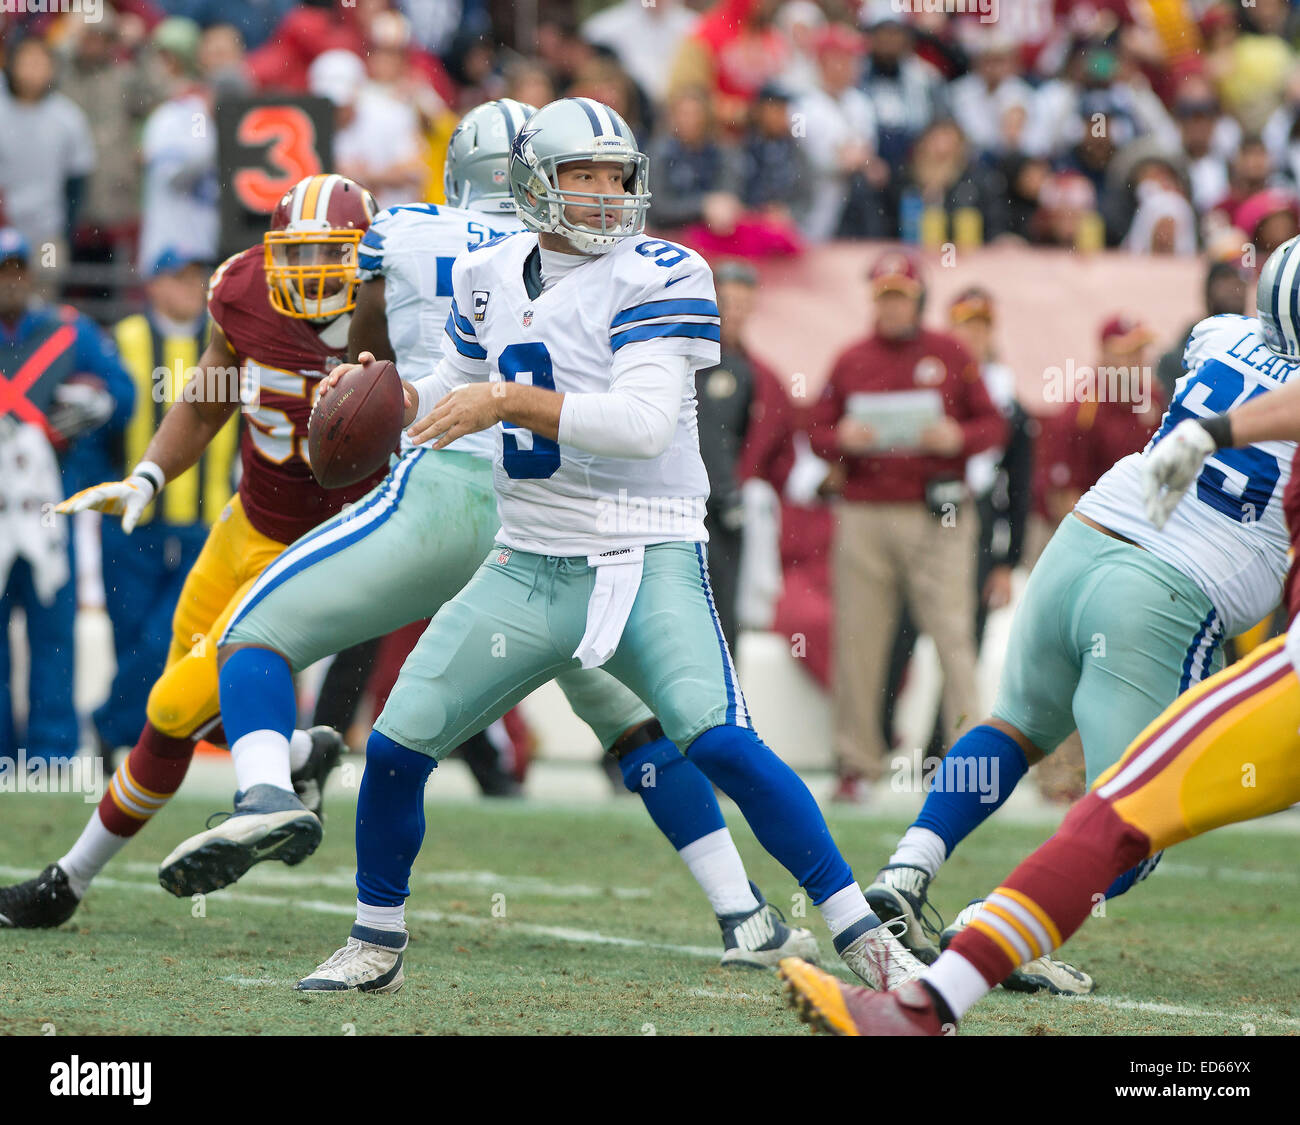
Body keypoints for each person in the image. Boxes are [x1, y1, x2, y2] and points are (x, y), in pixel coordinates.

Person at [157, 100, 817, 971]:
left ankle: (272, 788)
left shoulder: (405, 232)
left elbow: (344, 335)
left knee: (258, 627)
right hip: (566, 518)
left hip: (448, 487)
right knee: (632, 722)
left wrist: (352, 389)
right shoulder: (618, 261)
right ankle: (743, 911)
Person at [288, 97, 927, 994]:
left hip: (643, 554)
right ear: (531, 184)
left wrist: (505, 403)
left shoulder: (665, 272)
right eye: (579, 176)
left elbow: (637, 423)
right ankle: (376, 940)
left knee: (720, 741)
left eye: (615, 177)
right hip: (527, 555)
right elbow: (453, 387)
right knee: (396, 747)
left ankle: (861, 932)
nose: (601, 195)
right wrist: (380, 400)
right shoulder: (487, 273)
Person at [854, 239, 1300, 986]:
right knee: (1136, 817)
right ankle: (991, 926)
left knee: (1016, 724)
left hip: (1088, 534)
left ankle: (906, 868)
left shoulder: (1218, 332)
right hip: (1167, 592)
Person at [0, 175, 385, 928]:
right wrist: (148, 471)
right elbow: (212, 391)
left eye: (329, 257)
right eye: (296, 255)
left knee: (173, 706)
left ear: (369, 260)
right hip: (245, 521)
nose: (310, 274)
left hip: (323, 542)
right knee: (186, 698)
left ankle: (71, 879)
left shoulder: (399, 311)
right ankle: (298, 752)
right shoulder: (241, 288)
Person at [808, 250, 1004, 802]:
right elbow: (816, 431)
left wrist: (958, 440)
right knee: (860, 639)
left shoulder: (950, 354)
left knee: (953, 636)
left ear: (918, 299)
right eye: (885, 296)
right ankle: (856, 761)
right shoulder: (852, 359)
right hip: (866, 509)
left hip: (936, 510)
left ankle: (967, 758)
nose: (893, 305)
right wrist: (841, 438)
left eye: (902, 295)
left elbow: (993, 424)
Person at [92, 249, 236, 761]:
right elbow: (103, 421)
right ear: (152, 284)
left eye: (197, 277)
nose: (190, 287)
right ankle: (135, 744)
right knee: (130, 636)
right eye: (178, 278)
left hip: (204, 520)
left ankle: (114, 729)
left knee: (167, 638)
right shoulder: (123, 338)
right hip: (134, 523)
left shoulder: (224, 340)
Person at [0, 228, 133, 763]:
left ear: (29, 273)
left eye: (15, 269)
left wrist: (96, 404)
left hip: (46, 507)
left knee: (53, 632)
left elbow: (122, 392)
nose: (9, 281)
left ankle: (52, 756)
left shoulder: (68, 331)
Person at [0, 36, 96, 297]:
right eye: (27, 61)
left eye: (41, 62)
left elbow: (77, 183)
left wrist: (66, 231)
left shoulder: (68, 118)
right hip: (5, 224)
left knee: (44, 301)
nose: (33, 69)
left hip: (48, 233)